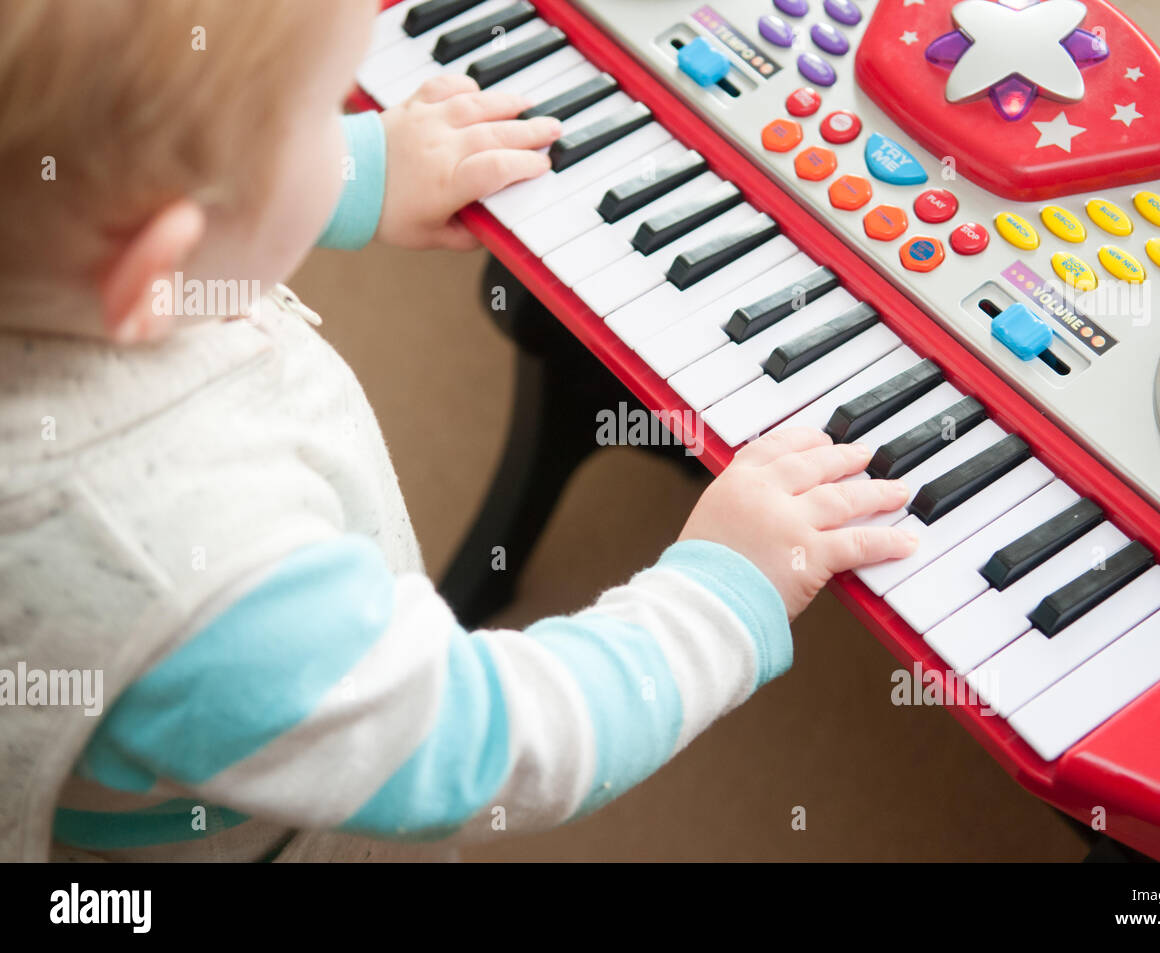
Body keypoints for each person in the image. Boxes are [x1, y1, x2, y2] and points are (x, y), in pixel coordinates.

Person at [0, 0, 917, 861]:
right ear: (158, 263)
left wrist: (360, 169)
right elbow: (478, 743)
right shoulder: (204, 569)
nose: (342, 123)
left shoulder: (60, 277)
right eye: (324, 112)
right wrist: (718, 596)